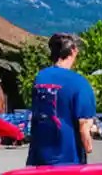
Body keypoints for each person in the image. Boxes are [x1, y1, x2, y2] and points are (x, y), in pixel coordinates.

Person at [26, 33, 97, 167]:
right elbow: (84, 125)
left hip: (40, 157)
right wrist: (89, 146)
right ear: (73, 51)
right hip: (69, 159)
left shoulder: (40, 78)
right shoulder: (79, 83)